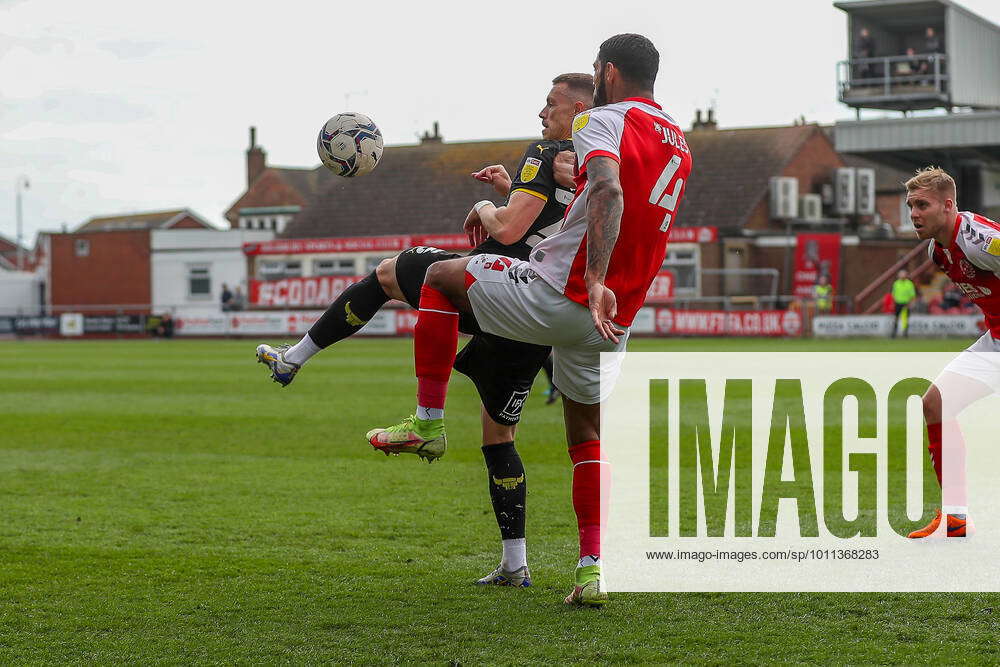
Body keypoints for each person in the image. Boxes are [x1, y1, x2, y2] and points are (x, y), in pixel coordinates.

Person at [367, 33, 692, 606]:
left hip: (563, 292)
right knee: (587, 437)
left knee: (441, 276)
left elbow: (610, 192)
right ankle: (590, 572)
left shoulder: (601, 119)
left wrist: (591, 278)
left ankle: (428, 422)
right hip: (614, 316)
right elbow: (616, 202)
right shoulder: (679, 141)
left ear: (609, 71)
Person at [256, 73, 594, 588]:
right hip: (539, 317)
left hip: (497, 291)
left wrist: (486, 206)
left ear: (577, 107)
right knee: (499, 433)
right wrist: (513, 190)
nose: (542, 113)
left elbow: (505, 230)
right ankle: (514, 563)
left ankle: (299, 360)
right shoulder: (602, 169)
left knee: (393, 271)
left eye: (551, 104)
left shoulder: (547, 151)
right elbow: (553, 223)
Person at [903, 166, 1000, 538]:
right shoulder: (937, 252)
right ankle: (955, 518)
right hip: (995, 342)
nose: (913, 213)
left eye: (922, 205)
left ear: (947, 206)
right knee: (935, 404)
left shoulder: (978, 239)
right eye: (911, 205)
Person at [890, 269, 917, 338]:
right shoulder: (896, 283)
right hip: (898, 303)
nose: (902, 276)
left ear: (906, 275)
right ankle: (894, 332)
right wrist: (893, 303)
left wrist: (911, 303)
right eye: (901, 274)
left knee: (905, 319)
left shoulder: (909, 284)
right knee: (896, 318)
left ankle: (905, 333)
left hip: (906, 303)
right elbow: (893, 294)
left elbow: (912, 295)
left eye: (903, 274)